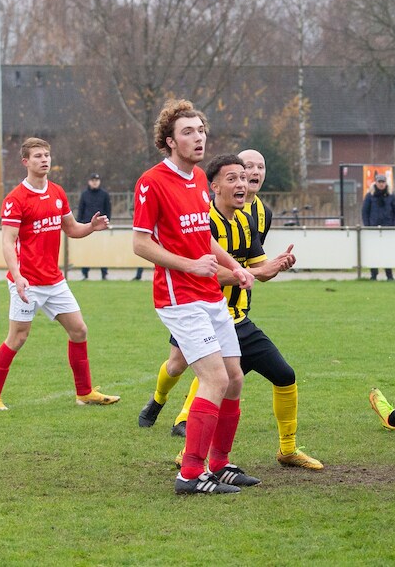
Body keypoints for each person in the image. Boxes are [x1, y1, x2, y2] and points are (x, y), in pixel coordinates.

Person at [138, 150, 323, 472]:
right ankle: (163, 410)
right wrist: (251, 273)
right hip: (199, 310)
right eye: (237, 175)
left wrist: (275, 266)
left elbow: (255, 270)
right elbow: (205, 272)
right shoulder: (203, 218)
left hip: (236, 317)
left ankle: (286, 450)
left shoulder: (252, 218)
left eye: (253, 171)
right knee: (184, 368)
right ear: (214, 186)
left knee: (279, 375)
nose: (246, 180)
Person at [131, 99, 261, 495]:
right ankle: (190, 474)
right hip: (179, 298)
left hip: (209, 294)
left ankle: (219, 464)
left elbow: (202, 236)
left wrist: (234, 266)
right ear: (170, 141)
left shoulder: (200, 178)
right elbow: (140, 244)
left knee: (234, 379)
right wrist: (190, 266)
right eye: (188, 132)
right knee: (214, 378)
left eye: (201, 130)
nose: (198, 137)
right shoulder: (152, 181)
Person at [0, 138, 119, 411]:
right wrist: (17, 276)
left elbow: (72, 229)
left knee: (79, 330)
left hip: (54, 281)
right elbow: (8, 242)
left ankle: (84, 393)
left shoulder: (57, 192)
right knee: (18, 338)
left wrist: (90, 227)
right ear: (25, 162)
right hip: (27, 282)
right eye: (38, 156)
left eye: (46, 155)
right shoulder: (15, 199)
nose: (44, 159)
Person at [361, 173, 395, 280]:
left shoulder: (391, 196)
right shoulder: (369, 196)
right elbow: (365, 212)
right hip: (373, 228)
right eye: (379, 182)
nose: (381, 184)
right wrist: (368, 226)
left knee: (387, 252)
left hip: (387, 228)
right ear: (376, 183)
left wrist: (393, 225)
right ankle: (373, 274)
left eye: (383, 182)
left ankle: (389, 275)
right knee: (373, 252)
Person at [76, 173, 112, 280]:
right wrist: (79, 225)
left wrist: (106, 222)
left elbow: (108, 210)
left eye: (96, 180)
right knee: (86, 250)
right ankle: (85, 273)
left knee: (102, 251)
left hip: (101, 228)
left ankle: (104, 273)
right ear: (89, 182)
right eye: (93, 180)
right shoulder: (84, 194)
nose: (95, 182)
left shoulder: (104, 194)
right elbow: (81, 210)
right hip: (87, 227)